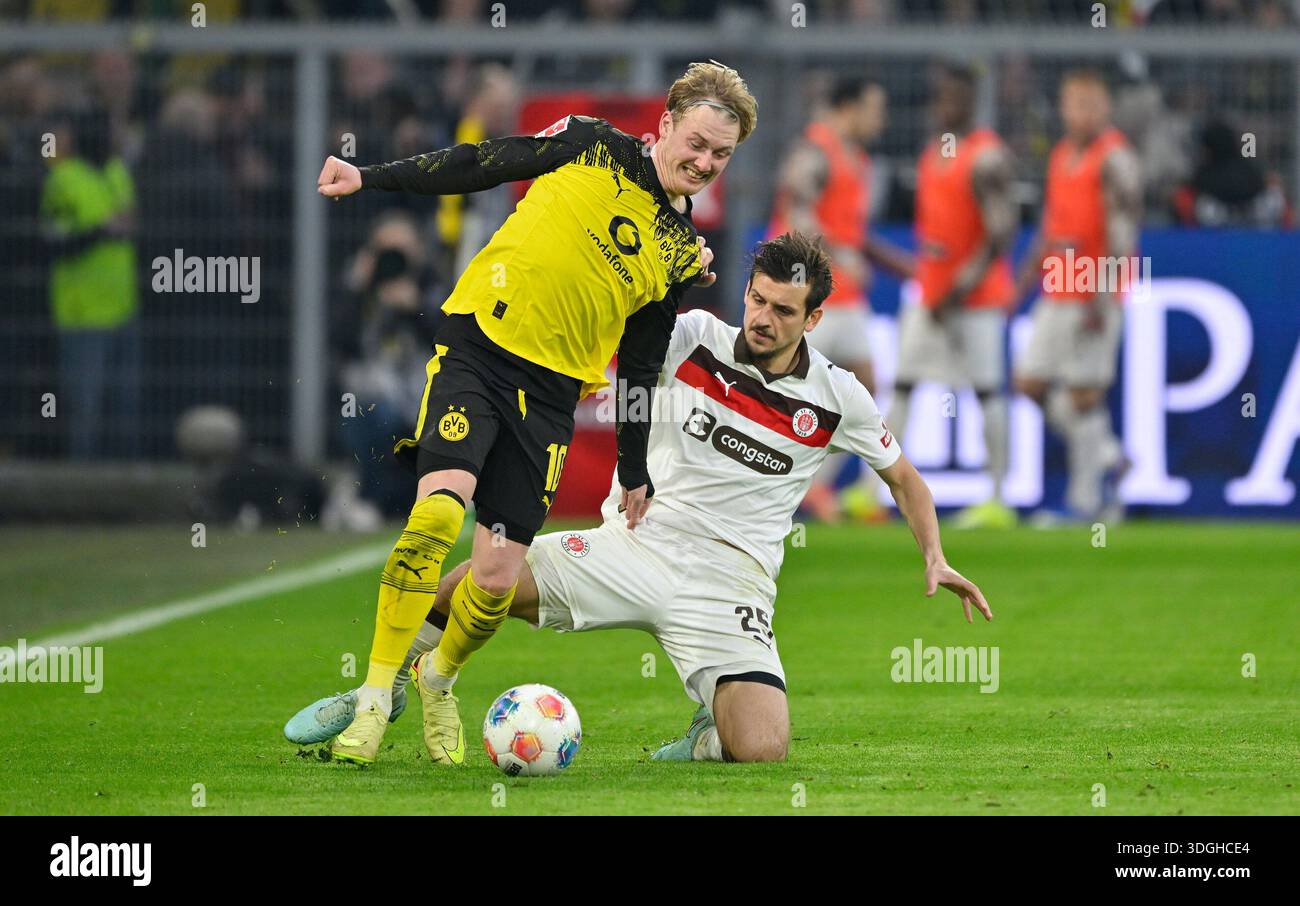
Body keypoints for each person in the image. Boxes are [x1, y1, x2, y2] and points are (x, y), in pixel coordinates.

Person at [285, 232, 991, 764]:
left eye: (782, 310)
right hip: (635, 541)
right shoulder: (692, 338)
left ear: (813, 319)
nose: (762, 319)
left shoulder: (838, 398)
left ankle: (704, 737)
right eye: (756, 299)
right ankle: (388, 688)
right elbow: (618, 359)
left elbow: (907, 480)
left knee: (764, 749)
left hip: (731, 582)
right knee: (485, 579)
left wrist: (935, 555)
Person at [312, 61, 757, 765]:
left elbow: (640, 368)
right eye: (696, 142)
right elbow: (483, 164)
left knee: (492, 579)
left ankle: (437, 679)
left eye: (720, 155)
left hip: (551, 400)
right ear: (665, 124)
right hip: (479, 351)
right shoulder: (591, 143)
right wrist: (371, 175)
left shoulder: (678, 253)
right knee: (435, 518)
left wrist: (633, 469)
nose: (703, 162)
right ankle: (370, 705)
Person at [767, 76, 901, 523]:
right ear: (849, 108)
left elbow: (851, 232)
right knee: (789, 395)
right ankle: (778, 487)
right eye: (874, 108)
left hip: (844, 295)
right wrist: (841, 254)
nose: (879, 119)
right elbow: (796, 215)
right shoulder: (815, 151)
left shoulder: (857, 159)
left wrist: (896, 264)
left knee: (863, 393)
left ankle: (826, 488)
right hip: (803, 294)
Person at [892, 63, 1018, 530]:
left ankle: (998, 498)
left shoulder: (986, 156)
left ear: (970, 100)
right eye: (940, 96)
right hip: (930, 296)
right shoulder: (933, 153)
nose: (944, 105)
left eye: (953, 96)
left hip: (976, 299)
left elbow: (1002, 231)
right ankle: (876, 492)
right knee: (903, 384)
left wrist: (960, 289)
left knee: (986, 392)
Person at [1015, 69, 1141, 523]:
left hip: (1093, 289)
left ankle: (1087, 503)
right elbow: (1051, 228)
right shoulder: (1062, 155)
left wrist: (1102, 295)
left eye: (1090, 103)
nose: (1080, 112)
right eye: (1073, 103)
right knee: (1030, 381)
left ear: (1104, 108)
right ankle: (1109, 457)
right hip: (1058, 287)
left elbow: (1123, 230)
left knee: (1085, 394)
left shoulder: (1115, 159)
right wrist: (1024, 282)